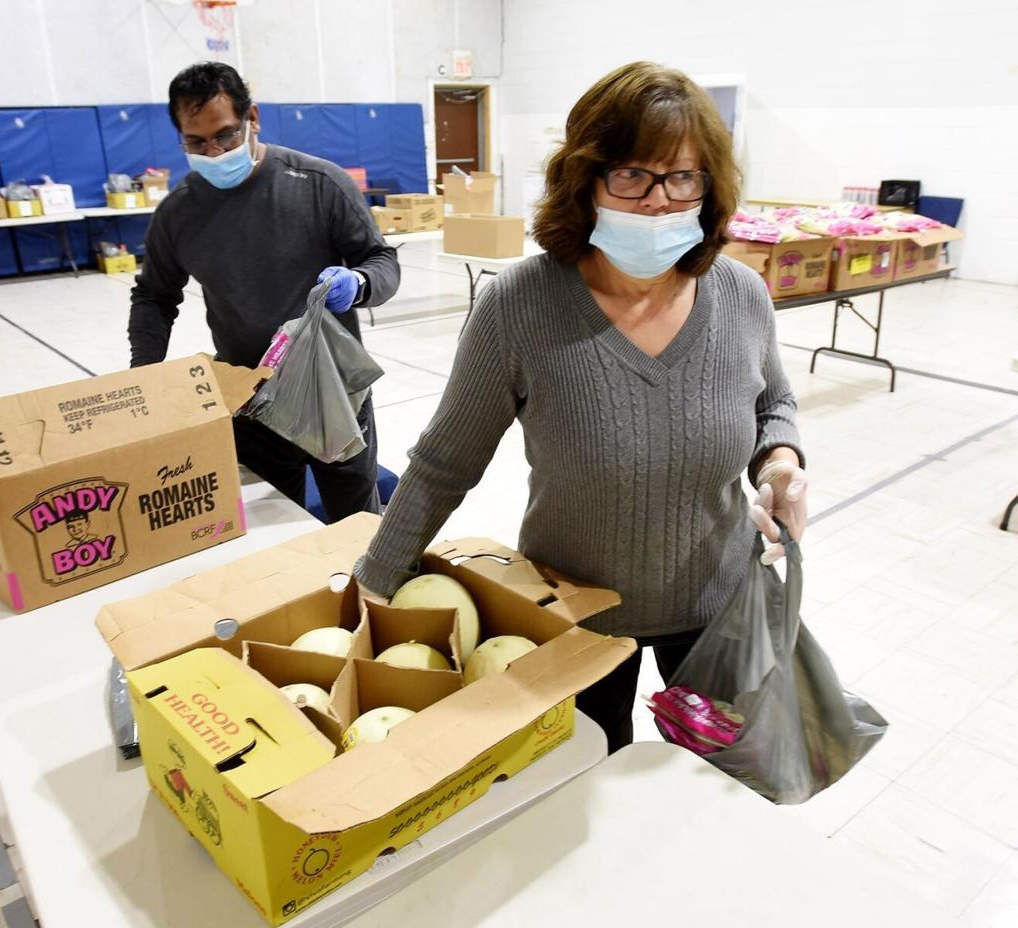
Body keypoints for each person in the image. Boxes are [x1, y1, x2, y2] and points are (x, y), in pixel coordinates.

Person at [353, 61, 808, 753]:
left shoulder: (740, 294)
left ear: (709, 186)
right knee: (585, 781)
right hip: (573, 618)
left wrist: (780, 459)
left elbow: (773, 399)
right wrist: (374, 584)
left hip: (718, 611)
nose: (658, 201)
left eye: (682, 177)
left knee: (718, 782)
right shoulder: (520, 306)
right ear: (586, 179)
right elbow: (444, 464)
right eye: (631, 174)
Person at [130, 62, 400, 522]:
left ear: (252, 117)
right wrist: (143, 378)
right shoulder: (178, 213)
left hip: (332, 393)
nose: (215, 152)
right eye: (197, 143)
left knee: (356, 524)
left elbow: (382, 261)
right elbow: (154, 296)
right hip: (248, 397)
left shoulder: (319, 184)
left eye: (226, 135)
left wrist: (359, 283)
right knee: (274, 525)